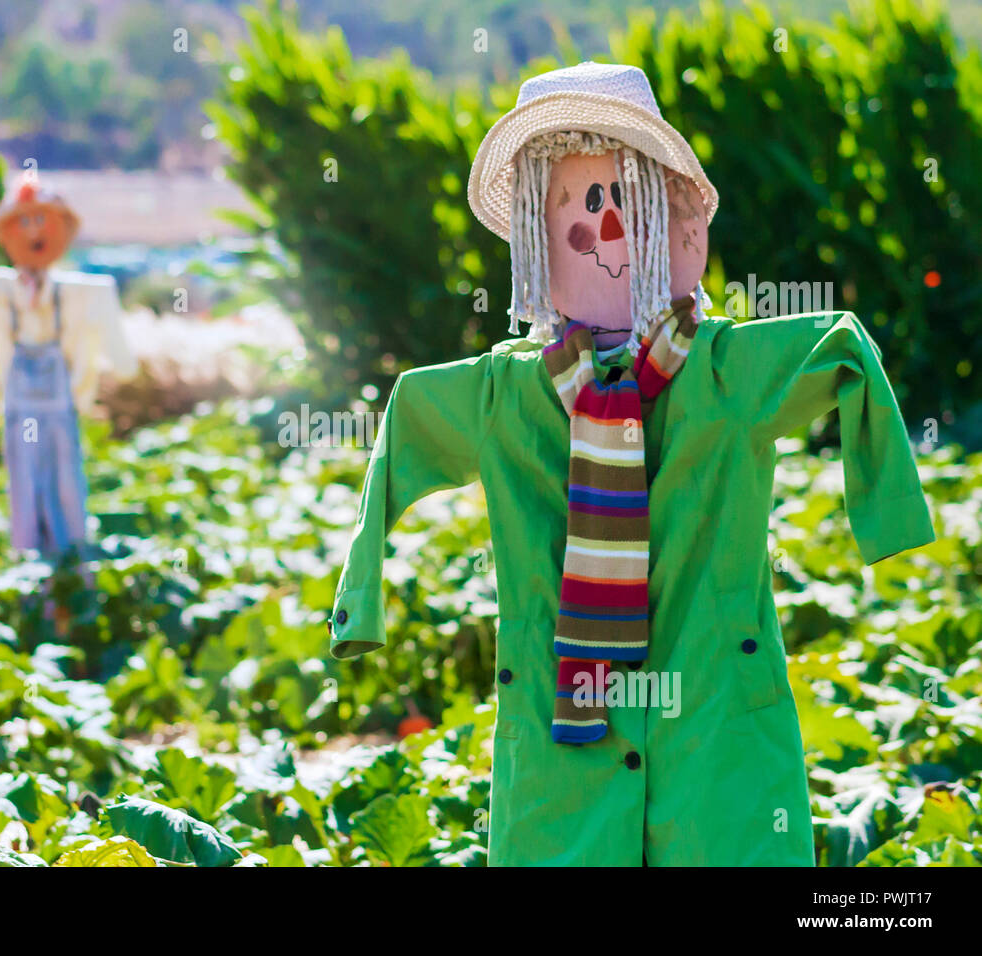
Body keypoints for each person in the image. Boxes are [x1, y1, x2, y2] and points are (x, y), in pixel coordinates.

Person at [327, 61, 935, 865]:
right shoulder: (504, 395)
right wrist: (358, 605)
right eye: (577, 210)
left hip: (716, 735)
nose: (604, 229)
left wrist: (886, 517)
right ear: (538, 244)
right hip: (562, 756)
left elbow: (842, 348)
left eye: (623, 201)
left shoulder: (725, 372)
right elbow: (402, 418)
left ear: (673, 218)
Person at [0, 176, 137, 558]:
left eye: (43, 221)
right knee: (24, 487)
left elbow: (120, 354)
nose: (34, 232)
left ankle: (71, 564)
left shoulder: (85, 291)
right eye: (23, 222)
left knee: (67, 485)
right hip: (19, 414)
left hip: (61, 413)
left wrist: (124, 365)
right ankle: (30, 565)